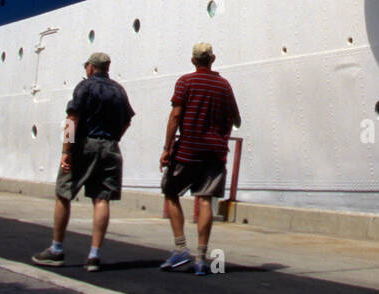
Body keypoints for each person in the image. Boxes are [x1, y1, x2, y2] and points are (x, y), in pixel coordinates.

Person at [32, 51, 134, 272]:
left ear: (90, 67)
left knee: (63, 192)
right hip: (110, 147)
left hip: (84, 145)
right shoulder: (119, 90)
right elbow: (127, 120)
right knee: (101, 198)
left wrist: (66, 150)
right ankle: (94, 256)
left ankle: (56, 250)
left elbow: (72, 119)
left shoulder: (85, 87)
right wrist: (114, 138)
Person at [159, 42, 241, 275]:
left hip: (187, 150)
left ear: (193, 60)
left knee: (171, 193)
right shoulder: (224, 85)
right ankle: (202, 258)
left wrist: (166, 148)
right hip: (215, 153)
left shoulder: (185, 82)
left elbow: (176, 115)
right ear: (212, 59)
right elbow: (236, 120)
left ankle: (181, 249)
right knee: (205, 200)